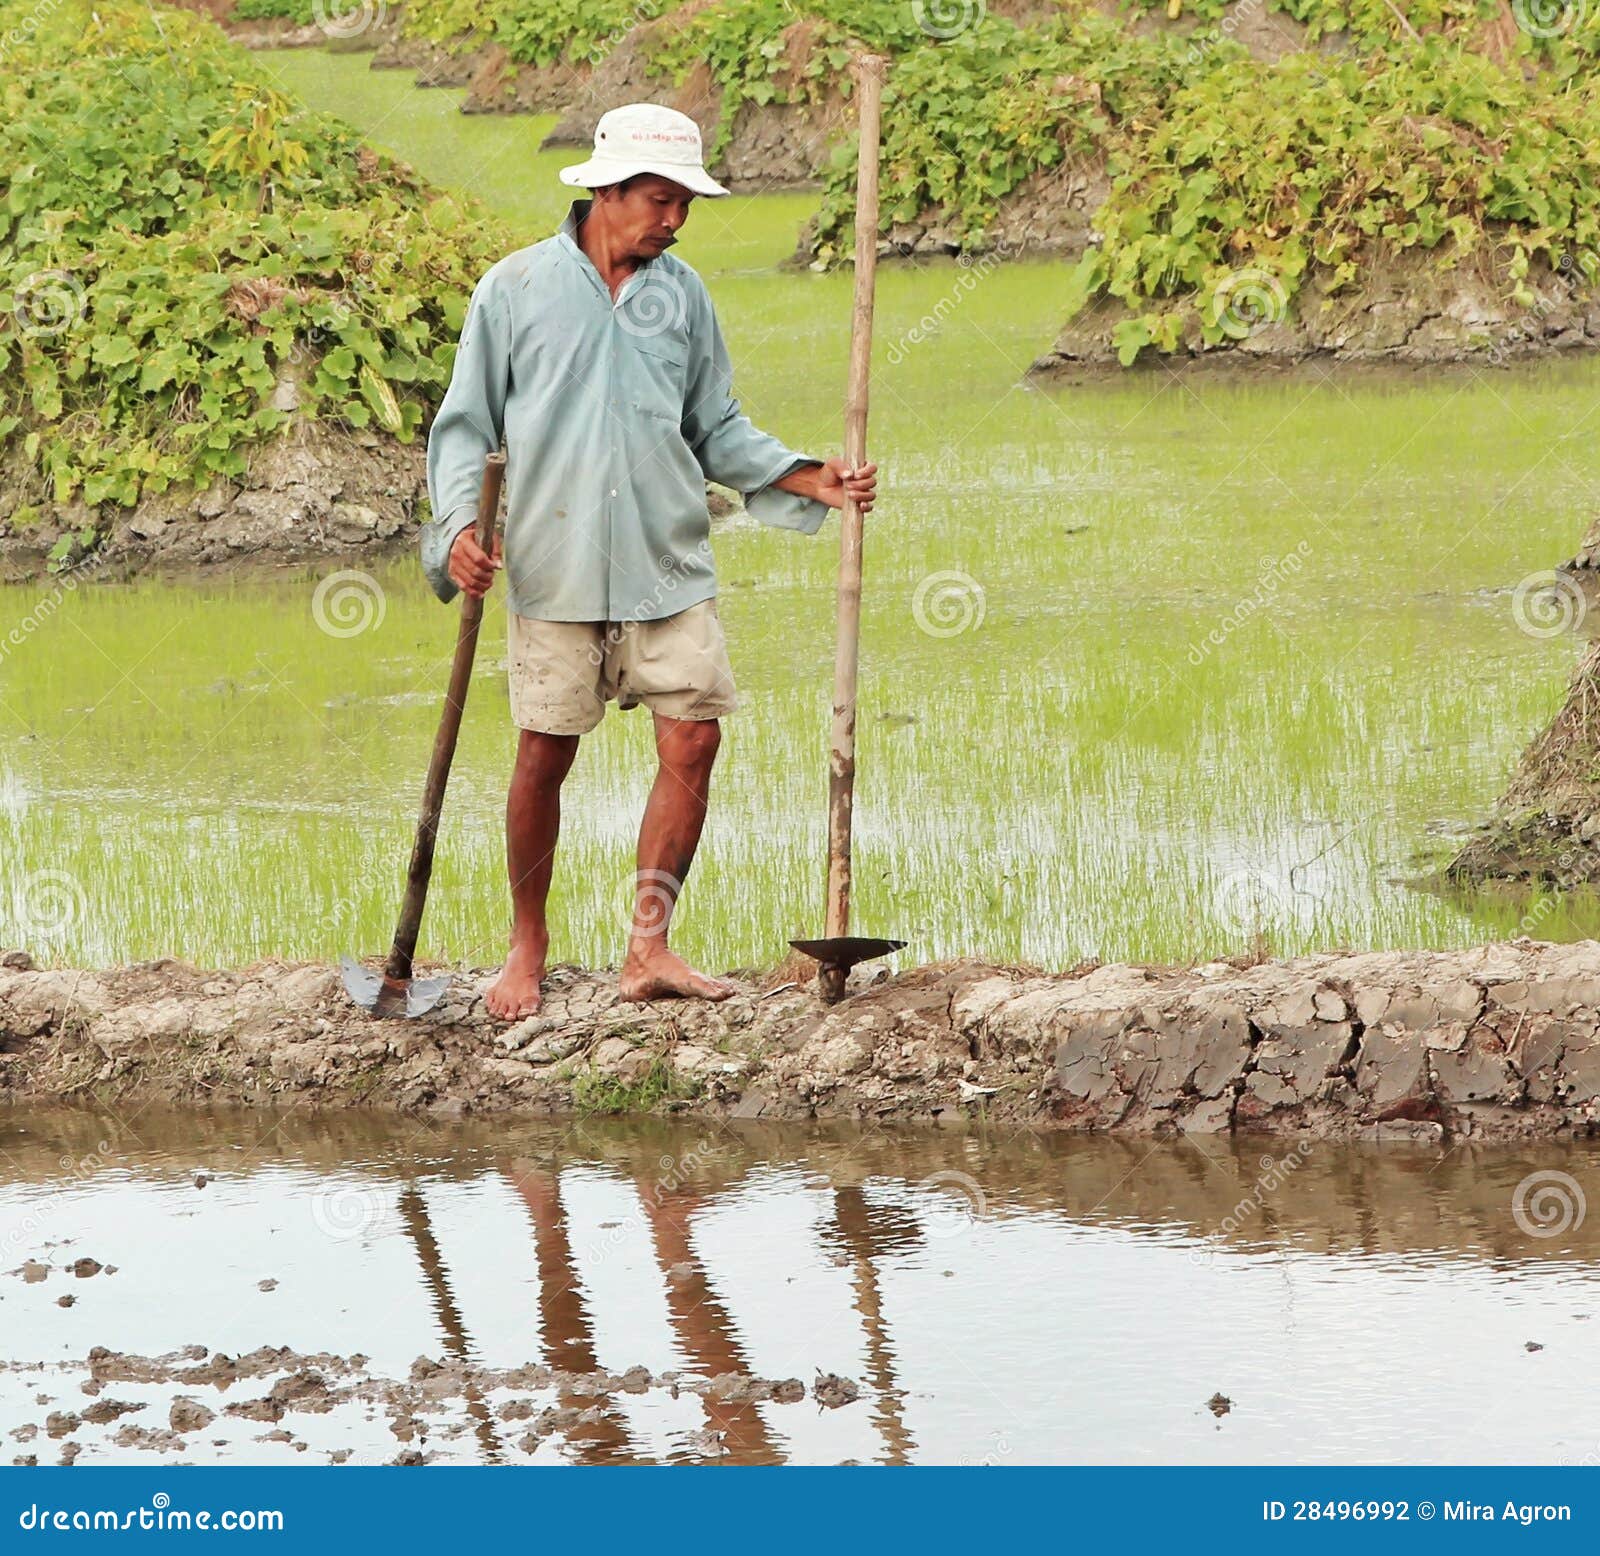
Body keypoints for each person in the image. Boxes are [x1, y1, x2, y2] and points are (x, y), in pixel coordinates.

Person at [421, 102, 878, 1020]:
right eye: (658, 201)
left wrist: (807, 476)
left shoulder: (685, 297)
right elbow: (465, 430)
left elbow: (715, 426)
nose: (672, 221)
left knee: (694, 740)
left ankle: (648, 945)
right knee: (544, 754)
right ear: (604, 190)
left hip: (667, 558)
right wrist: (456, 535)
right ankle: (527, 945)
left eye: (683, 205)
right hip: (553, 565)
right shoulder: (511, 292)